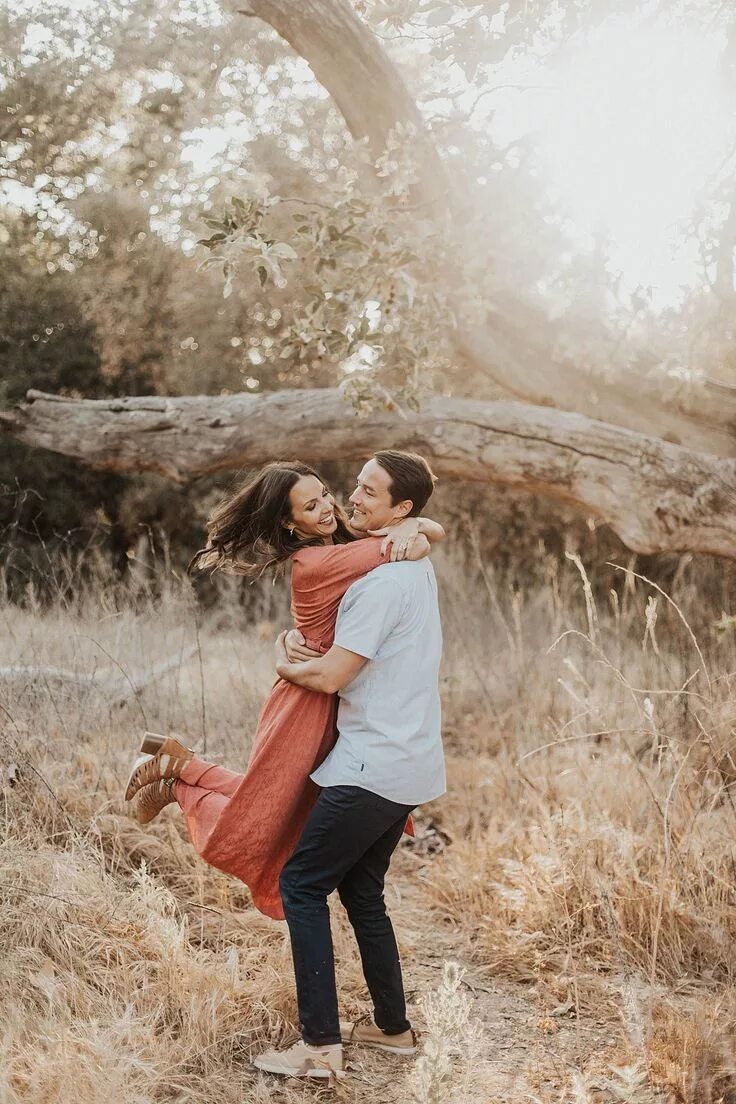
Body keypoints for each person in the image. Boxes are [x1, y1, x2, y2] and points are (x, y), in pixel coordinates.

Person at [123, 456, 444, 922]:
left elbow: (427, 532)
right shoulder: (316, 561)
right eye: (310, 507)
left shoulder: (345, 541)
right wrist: (282, 656)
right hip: (306, 699)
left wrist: (413, 522)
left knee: (284, 803)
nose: (329, 509)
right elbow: (415, 546)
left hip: (331, 694)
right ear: (288, 522)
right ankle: (179, 786)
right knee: (269, 810)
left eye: (325, 496)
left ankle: (182, 762)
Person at [252, 451, 445, 1081]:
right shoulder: (414, 565)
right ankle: (392, 1029)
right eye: (354, 486)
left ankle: (319, 1048)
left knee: (302, 884)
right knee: (362, 892)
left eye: (369, 492)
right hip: (409, 762)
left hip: (371, 764)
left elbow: (332, 675)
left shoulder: (379, 583)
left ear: (401, 510)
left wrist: (284, 663)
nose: (352, 499)